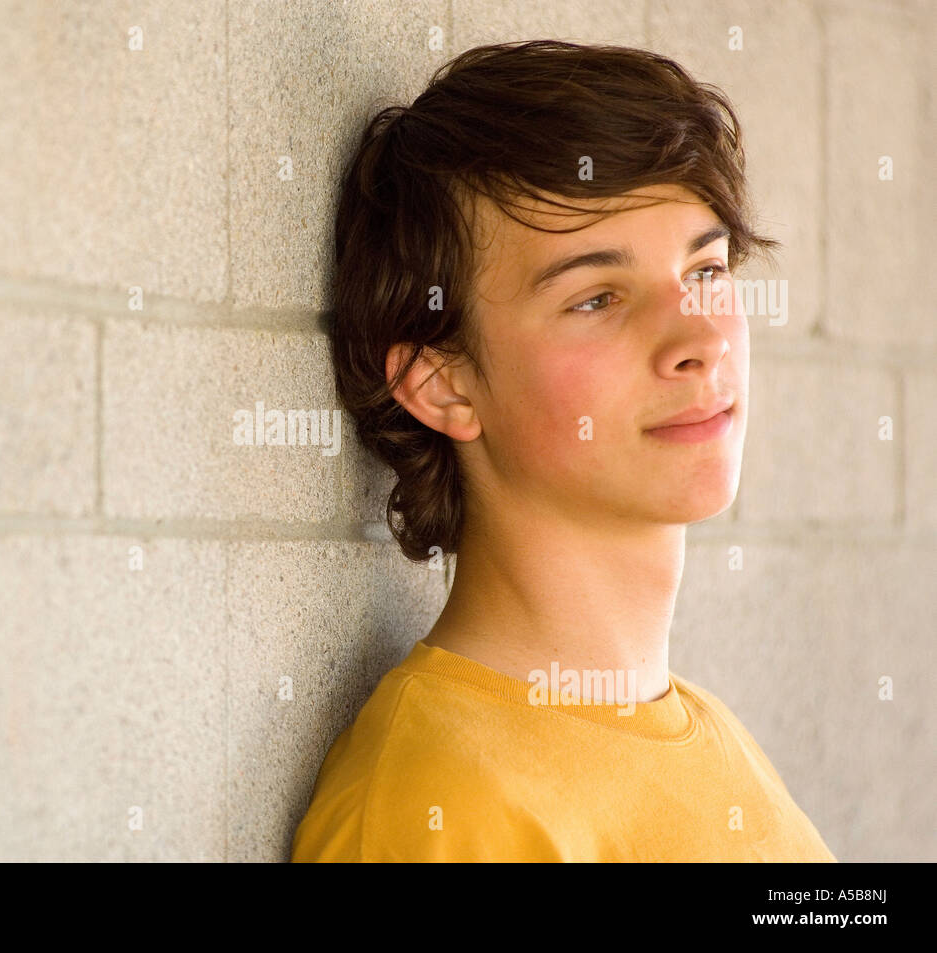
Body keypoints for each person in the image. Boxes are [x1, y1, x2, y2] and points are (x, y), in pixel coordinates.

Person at [291, 40, 835, 862]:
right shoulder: (437, 808)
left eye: (708, 269)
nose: (698, 338)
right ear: (443, 384)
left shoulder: (718, 744)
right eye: (597, 298)